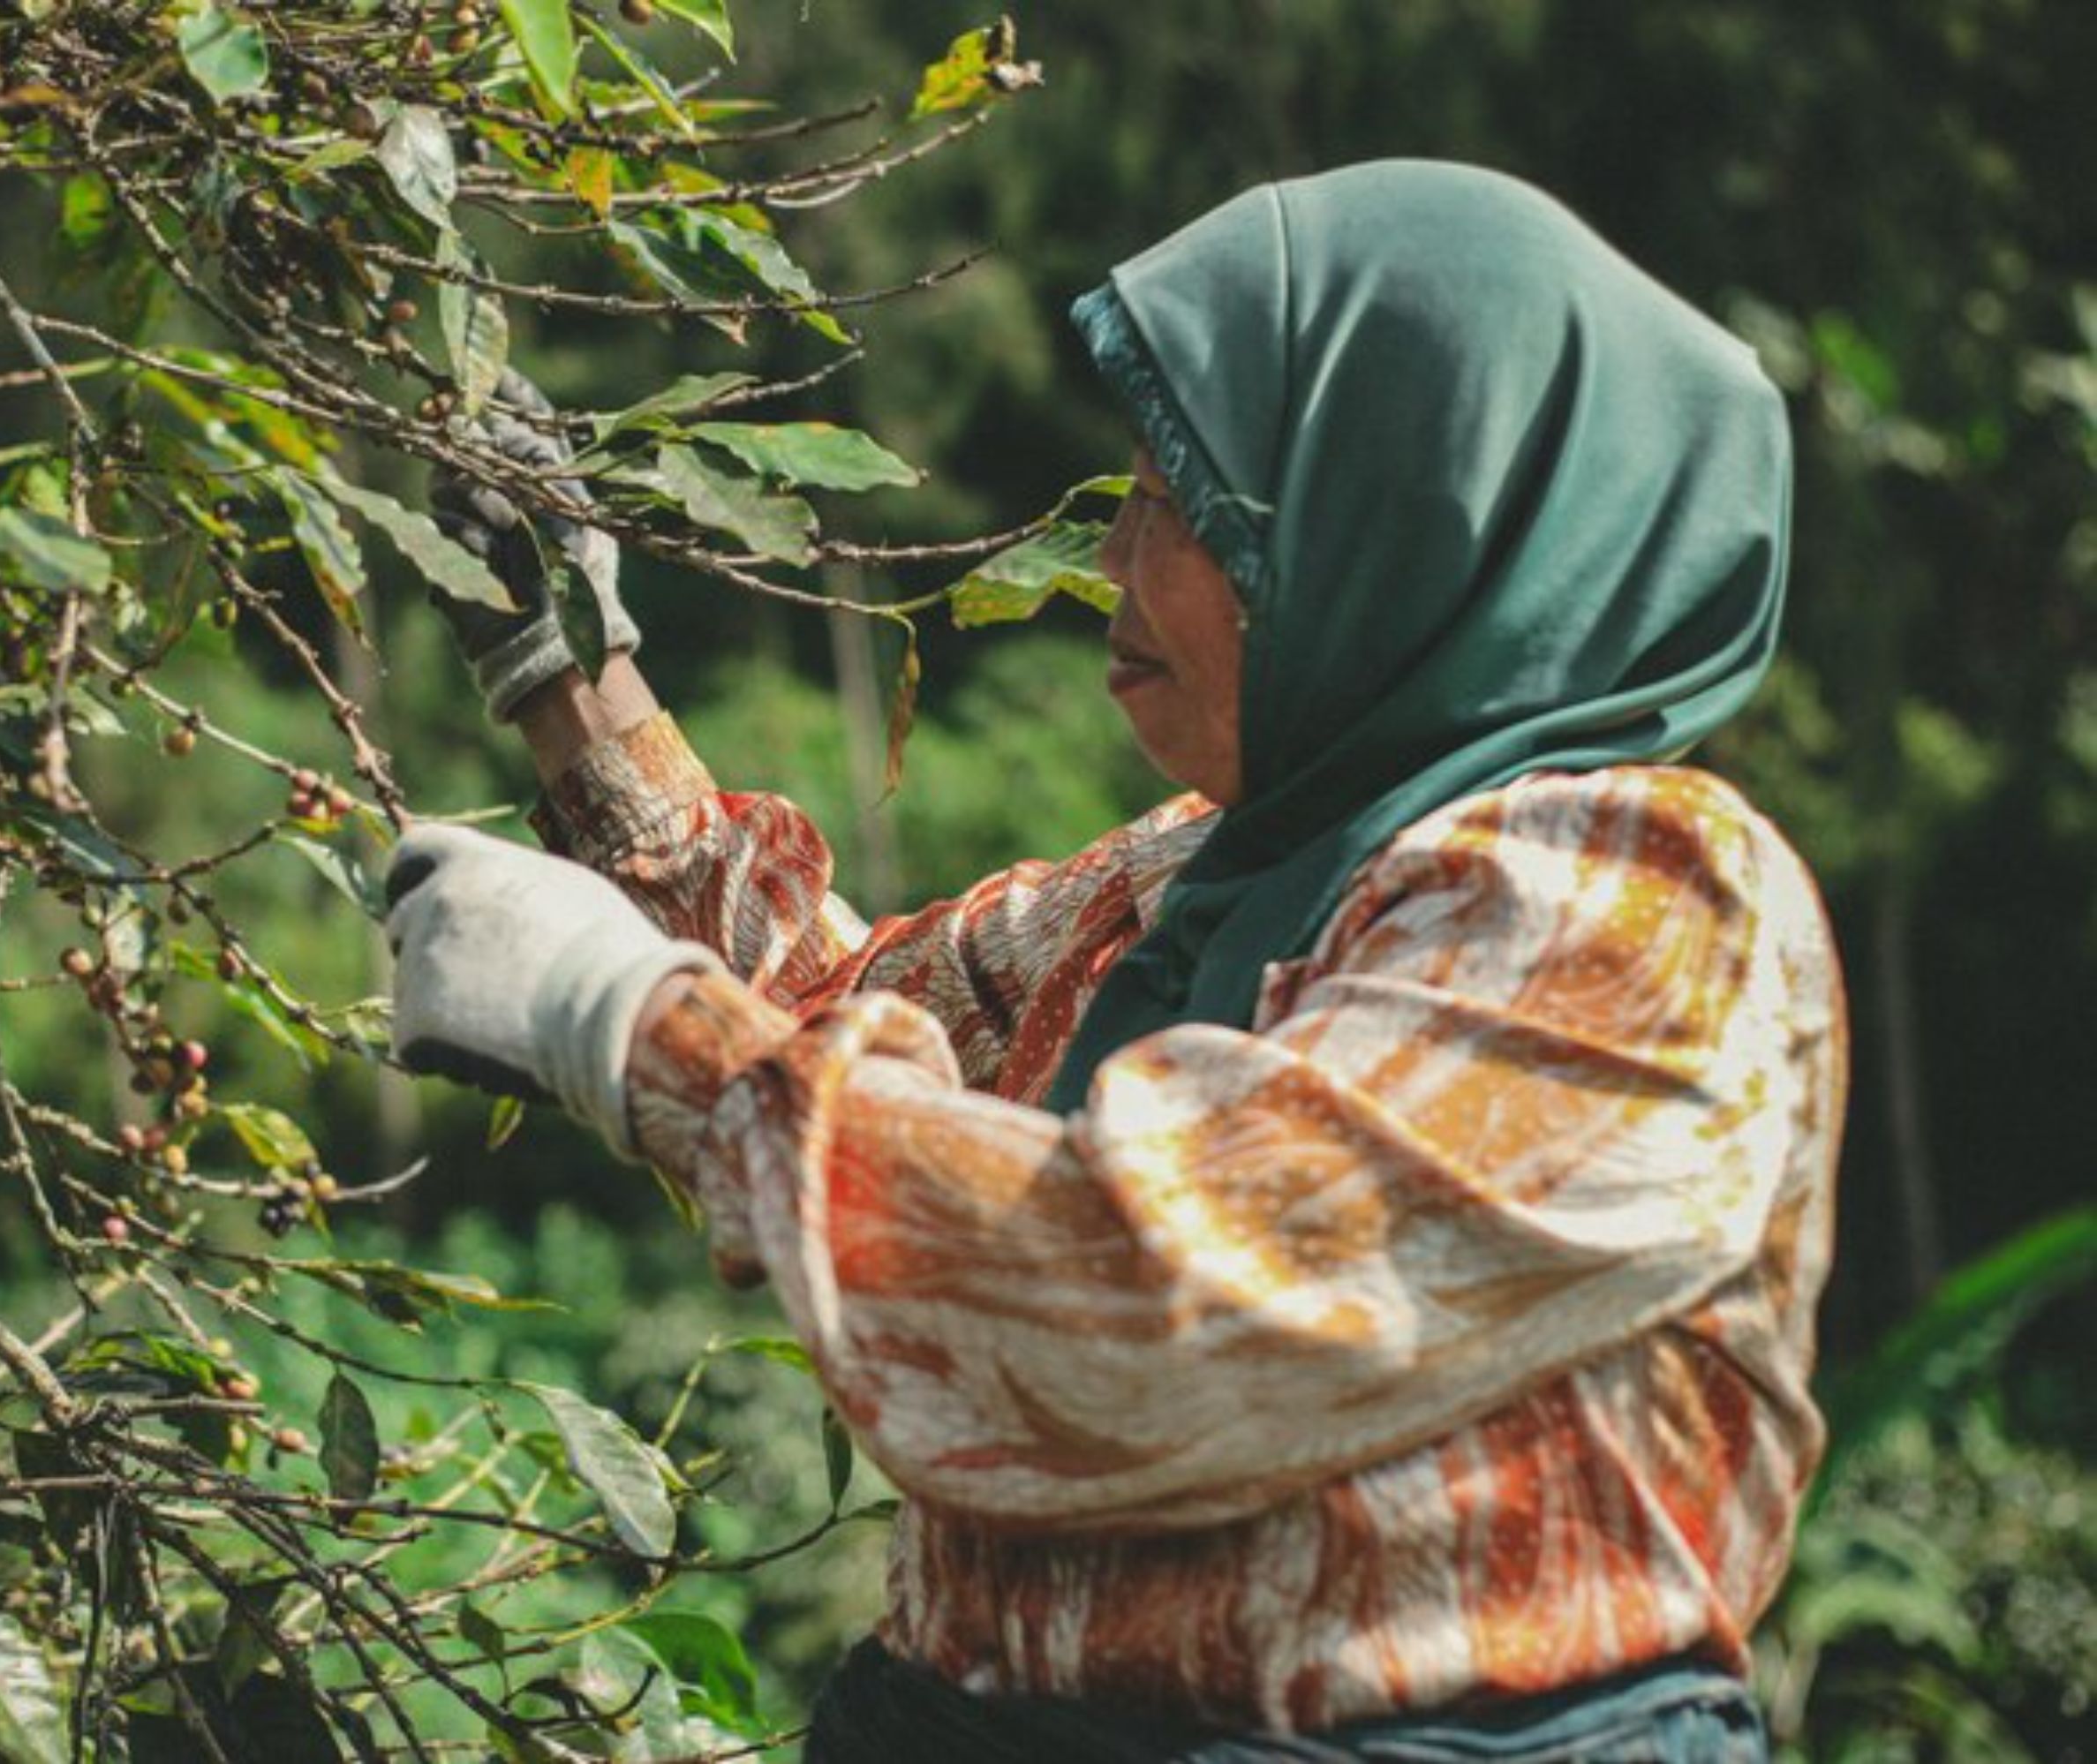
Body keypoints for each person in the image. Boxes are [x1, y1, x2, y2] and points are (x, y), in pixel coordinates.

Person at [383, 161, 1844, 1760]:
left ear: (1385, 531)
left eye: (1183, 511)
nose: (1114, 566)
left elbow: (1157, 1303)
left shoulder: (1632, 908)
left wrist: (629, 1024)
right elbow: (851, 1039)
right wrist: (568, 675)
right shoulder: (1207, 876)